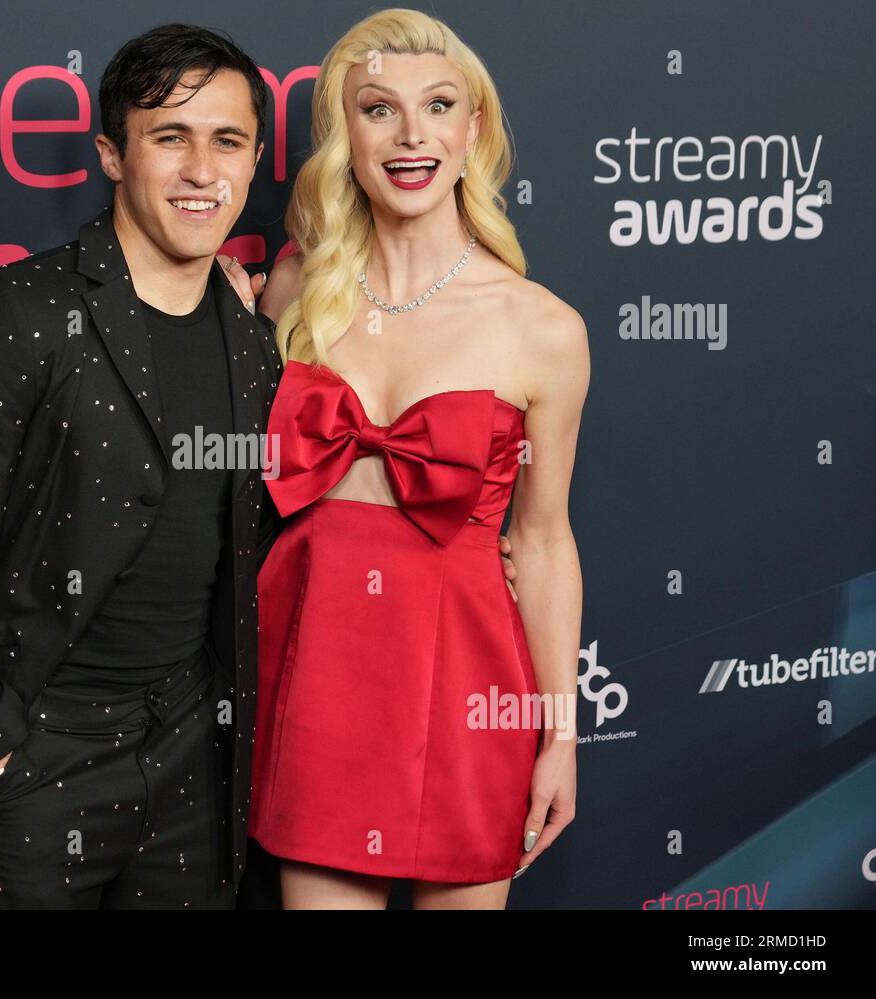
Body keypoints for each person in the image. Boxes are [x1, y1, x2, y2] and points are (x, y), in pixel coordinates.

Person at [0, 21, 521, 909]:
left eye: (227, 141)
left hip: (197, 764)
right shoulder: (17, 309)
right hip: (40, 757)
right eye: (169, 137)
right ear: (112, 154)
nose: (200, 171)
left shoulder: (261, 337)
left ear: (259, 158)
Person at [248, 9, 588, 909]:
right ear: (344, 134)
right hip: (318, 673)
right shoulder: (292, 292)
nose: (411, 136)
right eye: (377, 109)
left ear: (473, 128)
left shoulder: (542, 327)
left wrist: (559, 734)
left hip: (472, 686)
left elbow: (545, 541)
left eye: (439, 105)